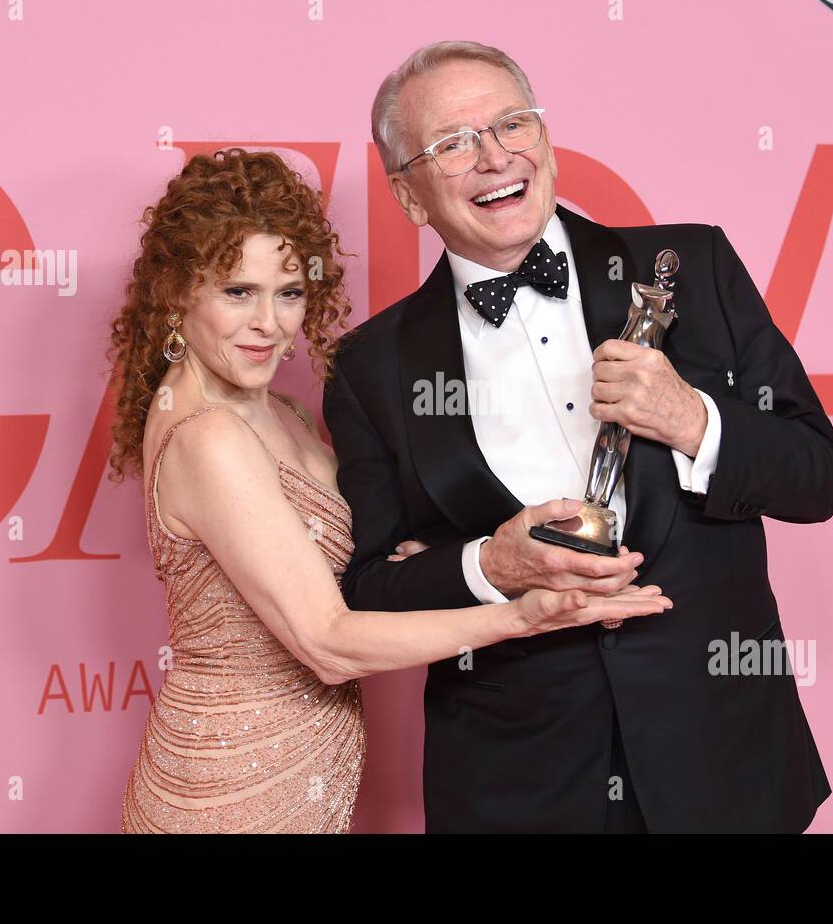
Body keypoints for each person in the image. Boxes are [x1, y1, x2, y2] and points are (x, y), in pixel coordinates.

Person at [322, 41, 833, 832]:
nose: (494, 157)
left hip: (723, 757)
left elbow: (816, 475)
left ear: (547, 141)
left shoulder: (690, 265)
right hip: (519, 780)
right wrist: (487, 563)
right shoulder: (370, 366)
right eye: (453, 144)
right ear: (408, 194)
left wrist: (692, 418)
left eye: (510, 124)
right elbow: (370, 585)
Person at [107, 148, 670, 833]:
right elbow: (328, 641)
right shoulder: (209, 439)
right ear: (176, 292)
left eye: (287, 292)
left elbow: (329, 570)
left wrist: (423, 557)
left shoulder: (275, 412)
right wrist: (525, 614)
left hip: (304, 771)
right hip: (229, 790)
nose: (269, 324)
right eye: (236, 292)